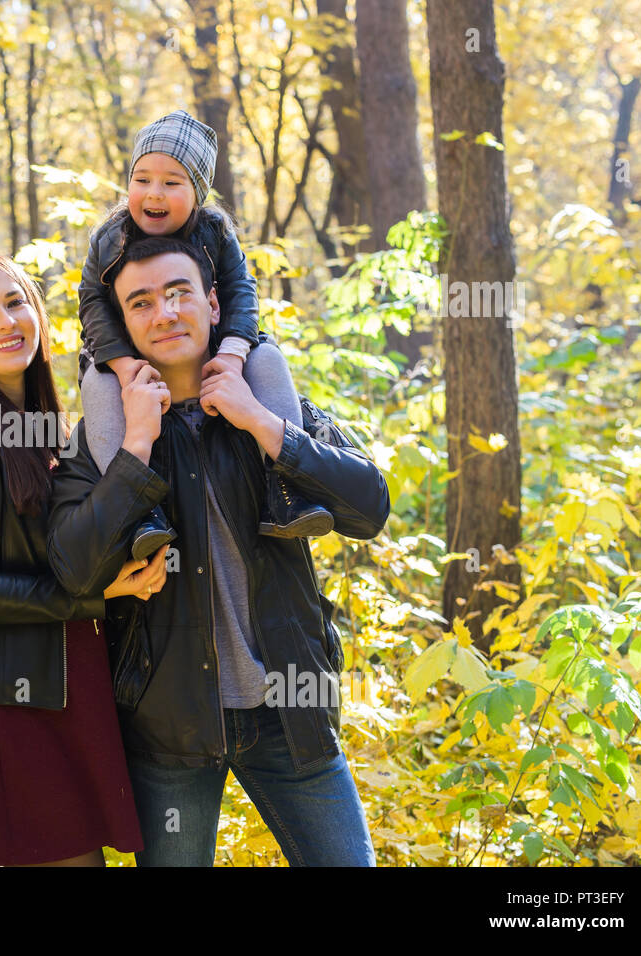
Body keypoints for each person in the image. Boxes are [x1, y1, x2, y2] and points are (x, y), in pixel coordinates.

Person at [48, 236, 392, 867]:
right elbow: (73, 568)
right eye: (142, 302)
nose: (165, 313)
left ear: (212, 303)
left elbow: (369, 506)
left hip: (292, 713)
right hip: (168, 727)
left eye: (179, 293)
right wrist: (138, 449)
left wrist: (263, 425)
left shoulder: (272, 404)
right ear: (123, 326)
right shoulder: (103, 440)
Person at [0, 253, 171, 867]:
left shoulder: (45, 424)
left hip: (63, 677)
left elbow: (62, 548)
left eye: (16, 302)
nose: (6, 320)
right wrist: (97, 599)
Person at [78, 108, 333, 560]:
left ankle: (288, 490)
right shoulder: (110, 237)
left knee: (267, 359)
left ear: (197, 194)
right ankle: (139, 511)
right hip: (126, 355)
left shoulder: (215, 231)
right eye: (142, 179)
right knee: (96, 387)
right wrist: (119, 364)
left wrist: (234, 354)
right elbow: (92, 302)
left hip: (216, 348)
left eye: (172, 182)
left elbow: (241, 290)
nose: (154, 193)